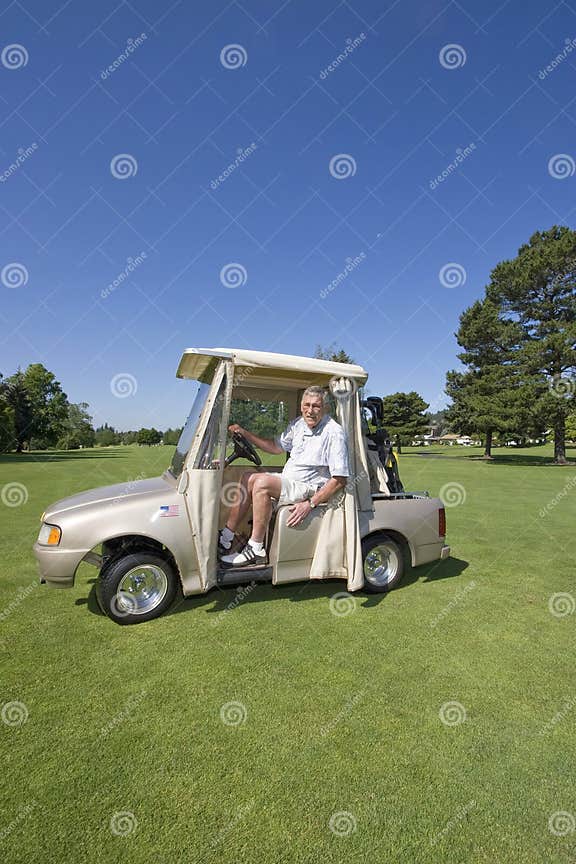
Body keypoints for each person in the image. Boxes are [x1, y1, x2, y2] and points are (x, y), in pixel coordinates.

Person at [219, 385, 349, 567]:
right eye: (306, 405)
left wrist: (310, 504)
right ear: (302, 406)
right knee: (248, 476)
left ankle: (255, 548)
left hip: (310, 488)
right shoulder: (298, 424)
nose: (310, 411)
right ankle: (226, 537)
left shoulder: (334, 432)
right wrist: (245, 434)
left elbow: (340, 479)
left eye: (316, 406)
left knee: (261, 483)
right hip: (291, 482)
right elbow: (275, 447)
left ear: (325, 408)